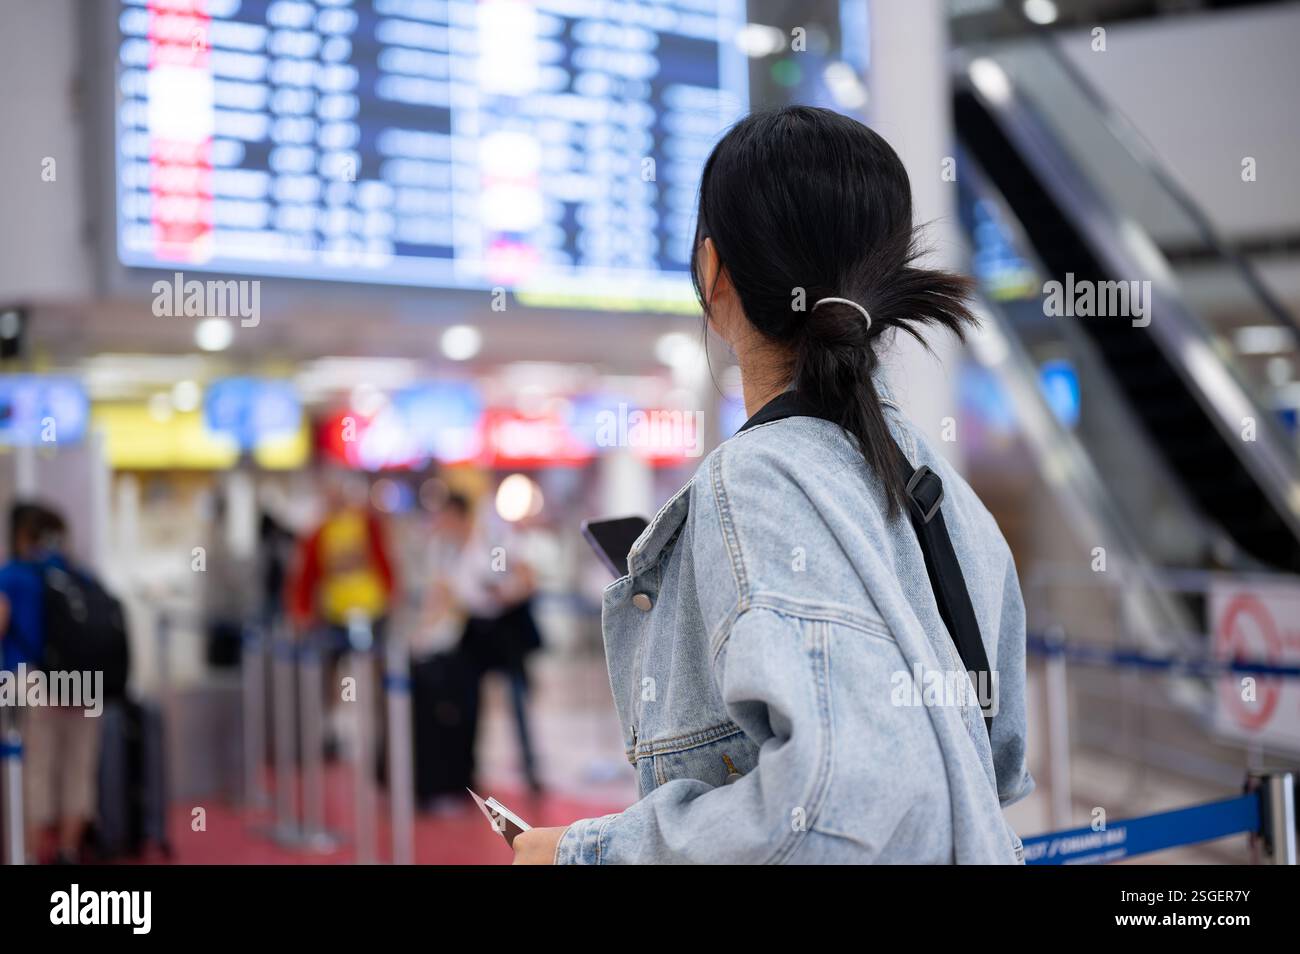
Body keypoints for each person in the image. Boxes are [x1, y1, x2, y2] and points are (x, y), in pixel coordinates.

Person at [514, 106, 1031, 864]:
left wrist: (585, 853)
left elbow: (833, 804)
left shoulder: (757, 479)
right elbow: (1000, 761)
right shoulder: (944, 488)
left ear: (711, 271)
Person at [0, 504, 101, 864]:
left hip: (32, 681)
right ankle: (68, 851)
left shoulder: (13, 575)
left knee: (33, 771)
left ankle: (24, 853)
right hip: (85, 682)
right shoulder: (79, 575)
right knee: (78, 769)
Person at [447, 493, 544, 794]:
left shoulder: (493, 541)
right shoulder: (449, 550)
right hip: (474, 631)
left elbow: (527, 579)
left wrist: (504, 595)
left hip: (503, 630)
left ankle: (530, 768)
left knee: (516, 701)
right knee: (468, 702)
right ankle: (466, 767)